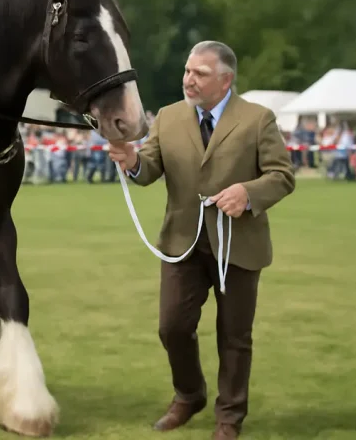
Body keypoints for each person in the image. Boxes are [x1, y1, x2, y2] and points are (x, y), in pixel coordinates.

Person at [109, 41, 295, 439]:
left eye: (200, 74)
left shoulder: (258, 119)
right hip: (181, 243)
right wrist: (132, 161)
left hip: (239, 246)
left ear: (226, 80)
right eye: (188, 70)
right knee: (171, 328)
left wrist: (248, 194)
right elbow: (150, 168)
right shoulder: (170, 117)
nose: (188, 79)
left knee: (235, 336)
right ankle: (189, 394)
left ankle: (228, 418)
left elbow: (282, 176)